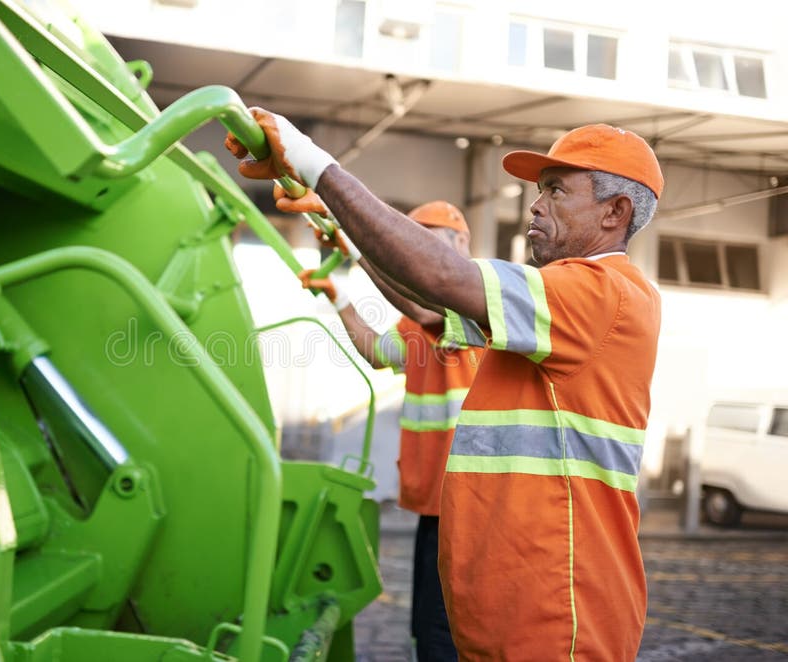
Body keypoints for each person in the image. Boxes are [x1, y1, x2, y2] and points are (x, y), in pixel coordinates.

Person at [226, 115, 662, 660]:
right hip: (517, 605)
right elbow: (427, 302)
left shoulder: (598, 291)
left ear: (615, 211)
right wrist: (345, 227)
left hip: (555, 618)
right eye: (539, 190)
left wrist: (317, 167)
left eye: (556, 190)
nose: (536, 204)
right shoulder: (565, 298)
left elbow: (439, 280)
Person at [292, 191, 482, 661]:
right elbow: (379, 352)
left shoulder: (467, 306)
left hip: (468, 499)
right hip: (434, 500)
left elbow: (423, 307)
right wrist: (338, 298)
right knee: (426, 627)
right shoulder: (421, 320)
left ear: (460, 247)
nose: (412, 256)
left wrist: (357, 243)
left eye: (423, 244)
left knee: (446, 631)